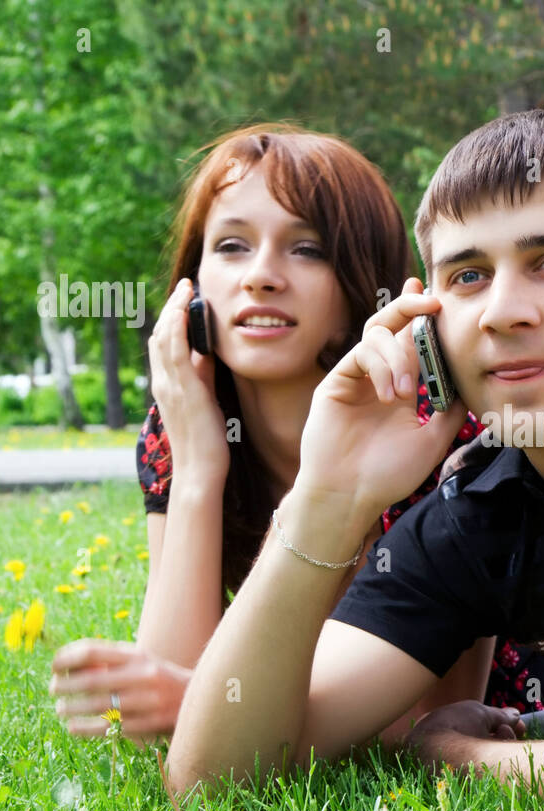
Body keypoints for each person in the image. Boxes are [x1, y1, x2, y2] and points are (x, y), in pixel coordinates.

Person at [166, 109, 544, 797]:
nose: (503, 311)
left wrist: (455, 755)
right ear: (426, 319)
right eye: (468, 276)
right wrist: (329, 494)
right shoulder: (482, 502)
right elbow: (218, 778)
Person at [48, 123, 487, 743]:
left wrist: (196, 701)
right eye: (231, 246)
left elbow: (434, 720)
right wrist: (199, 468)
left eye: (306, 250)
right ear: (191, 288)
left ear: (364, 284)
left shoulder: (436, 436)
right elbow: (169, 712)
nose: (261, 276)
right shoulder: (182, 428)